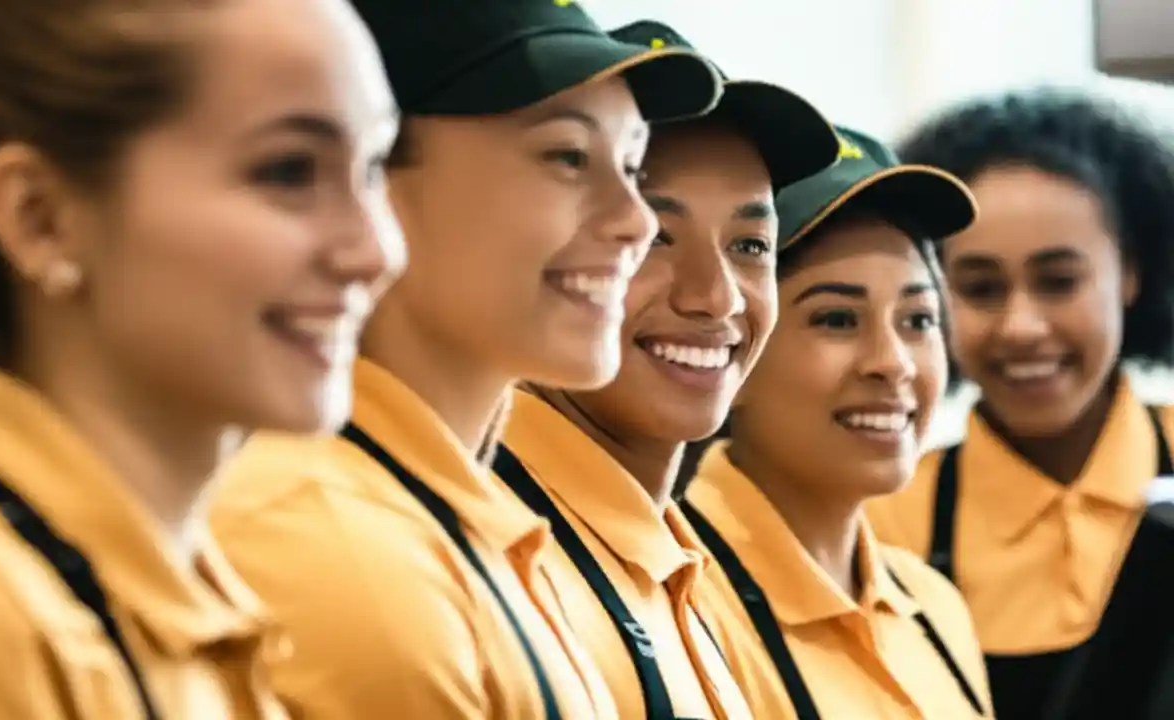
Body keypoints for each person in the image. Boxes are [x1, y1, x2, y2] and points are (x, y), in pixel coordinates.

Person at [206, 2, 724, 718]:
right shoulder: (340, 551)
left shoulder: (474, 525)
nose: (635, 220)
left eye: (632, 165)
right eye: (568, 157)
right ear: (371, 177)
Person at [0, 0, 404, 716]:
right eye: (289, 170)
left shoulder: (191, 596)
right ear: (39, 216)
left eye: (374, 165)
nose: (377, 251)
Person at [490, 19, 838, 720]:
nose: (714, 298)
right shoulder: (500, 552)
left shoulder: (681, 562)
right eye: (653, 236)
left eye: (749, 244)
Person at [865, 88, 1174, 719]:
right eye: (980, 287)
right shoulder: (883, 524)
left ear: (1132, 273)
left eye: (1059, 281)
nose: (1022, 326)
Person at [681, 126, 992, 718]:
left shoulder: (932, 607)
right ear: (733, 342)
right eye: (837, 320)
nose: (892, 363)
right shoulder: (678, 600)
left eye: (919, 320)